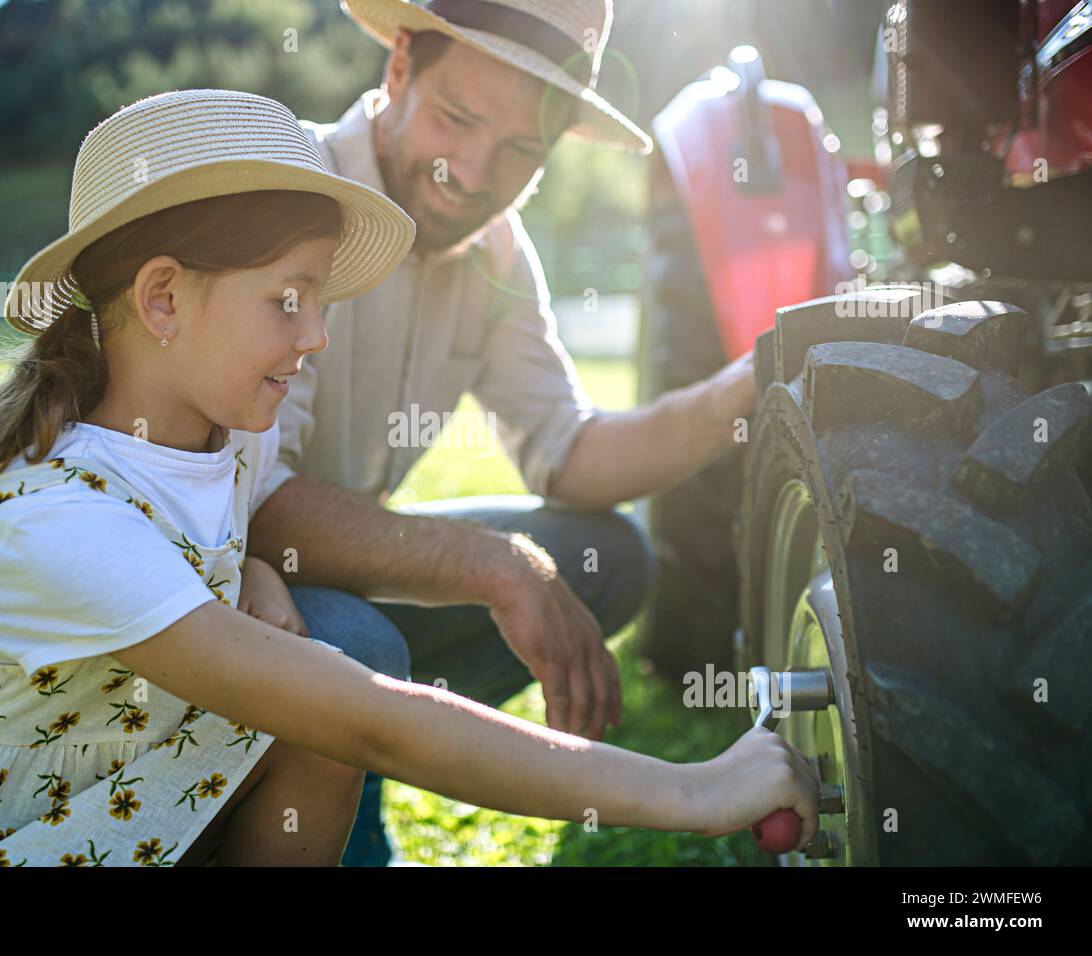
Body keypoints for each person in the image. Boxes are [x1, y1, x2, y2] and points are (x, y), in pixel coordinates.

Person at [0, 88, 816, 869]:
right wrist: (700, 787)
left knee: (302, 711)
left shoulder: (211, 434)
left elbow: (257, 556)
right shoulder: (62, 526)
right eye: (287, 298)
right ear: (161, 298)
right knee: (327, 702)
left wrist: (254, 569)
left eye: (319, 298)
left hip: (91, 798)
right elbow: (376, 714)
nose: (317, 334)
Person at [246, 0, 762, 864]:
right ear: (401, 64)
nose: (474, 173)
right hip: (216, 584)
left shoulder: (497, 251)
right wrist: (492, 565)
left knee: (609, 555)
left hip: (331, 579)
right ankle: (312, 786)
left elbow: (568, 451)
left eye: (523, 150)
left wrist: (739, 392)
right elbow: (251, 511)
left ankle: (363, 730)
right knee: (354, 637)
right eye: (456, 118)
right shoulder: (290, 195)